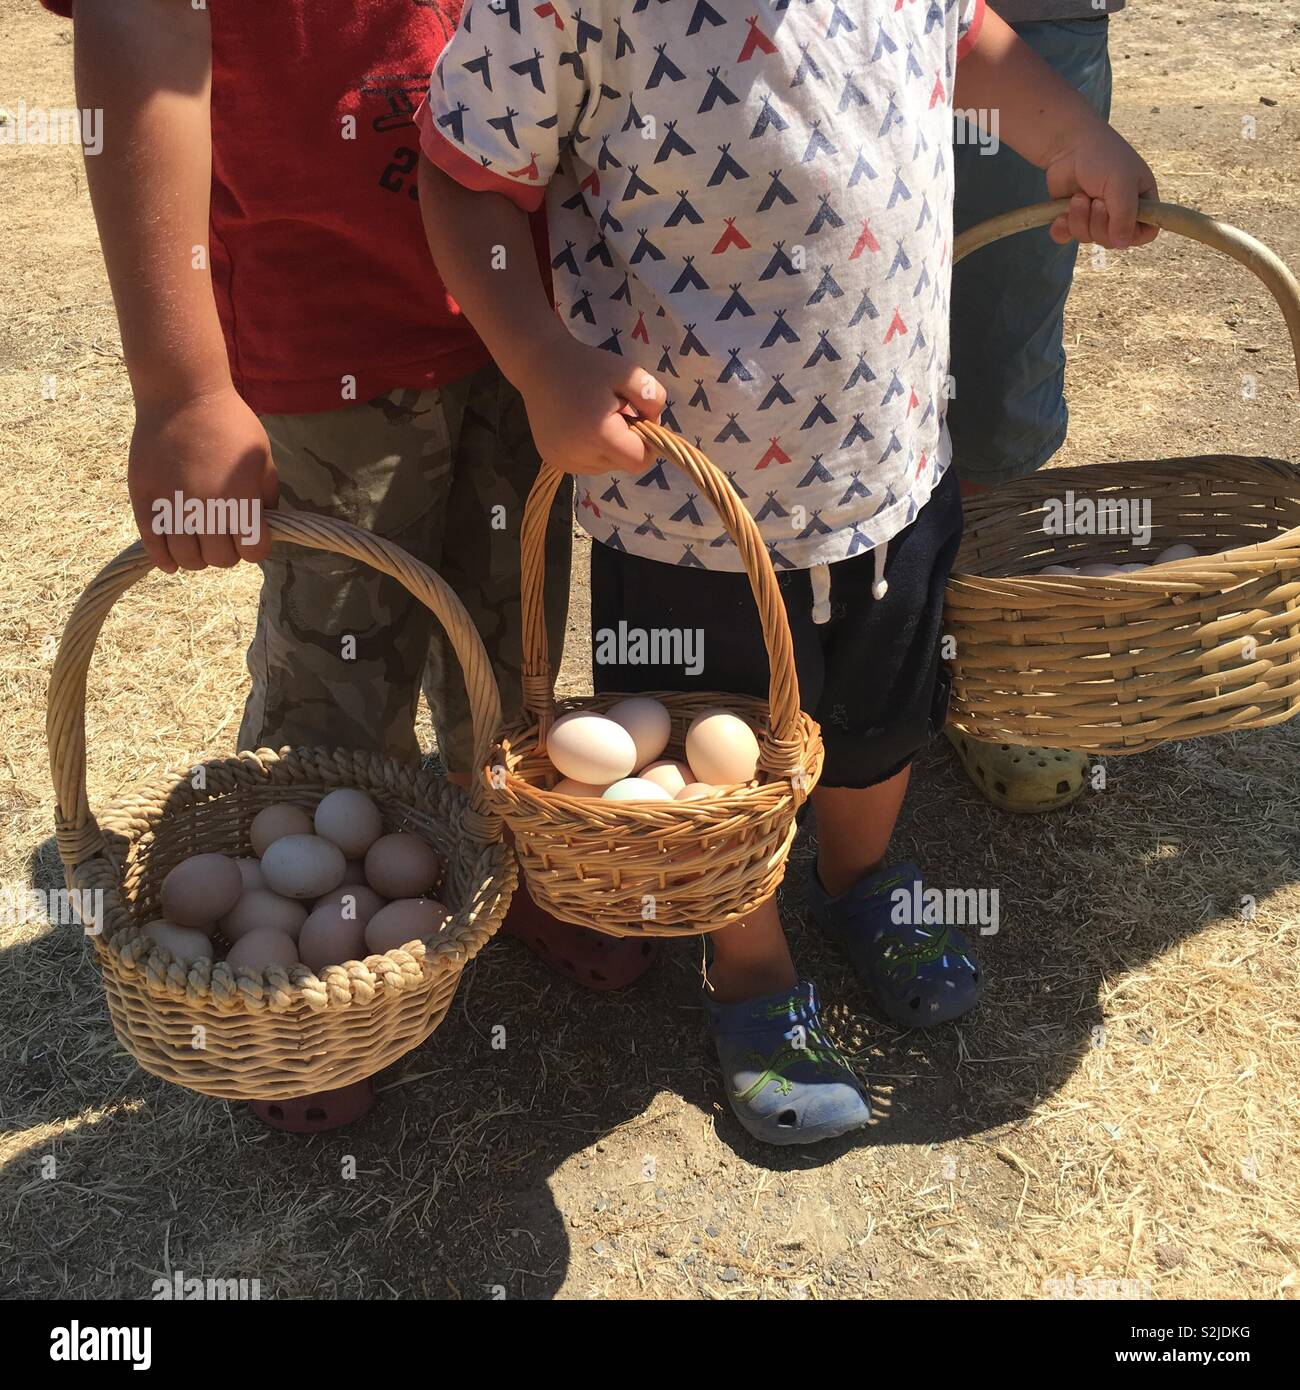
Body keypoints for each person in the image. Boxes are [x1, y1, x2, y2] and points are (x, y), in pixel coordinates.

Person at [417, 0, 1157, 1145]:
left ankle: (860, 875)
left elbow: (964, 38)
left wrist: (1071, 140)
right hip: (686, 505)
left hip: (889, 450)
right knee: (717, 762)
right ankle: (747, 964)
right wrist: (539, 358)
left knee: (881, 716)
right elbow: (464, 178)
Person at [45, 0, 652, 997]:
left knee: (511, 629)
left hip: (518, 318)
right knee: (340, 663)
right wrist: (180, 385)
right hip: (325, 335)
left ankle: (498, 845)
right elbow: (137, 31)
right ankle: (307, 948)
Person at [946, 0, 1127, 812]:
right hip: (812, 31)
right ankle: (815, 649)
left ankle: (991, 647)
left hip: (1032, 23)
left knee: (998, 353)